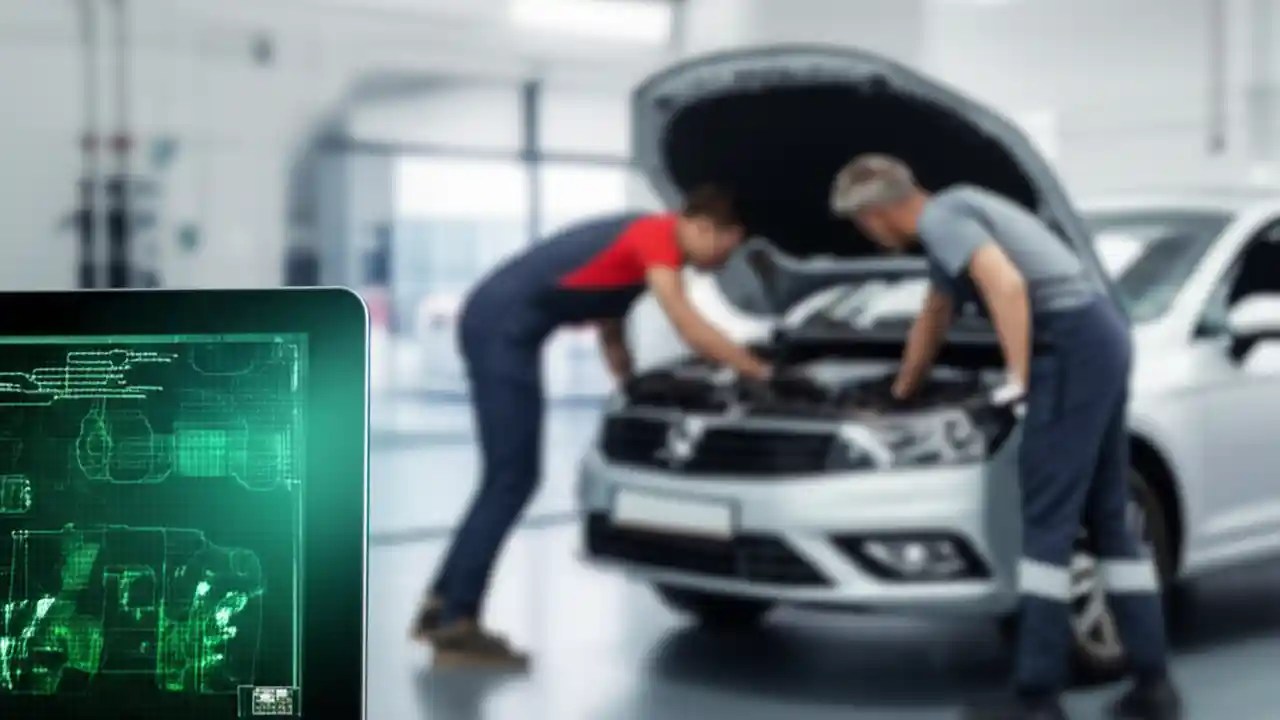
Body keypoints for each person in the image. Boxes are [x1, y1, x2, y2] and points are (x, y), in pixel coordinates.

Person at [829, 155, 1181, 720]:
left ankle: (1037, 696)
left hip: (1068, 347)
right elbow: (935, 315)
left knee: (1046, 521)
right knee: (1109, 515)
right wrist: (902, 391)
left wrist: (1018, 378)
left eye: (861, 225)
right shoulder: (954, 216)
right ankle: (1154, 683)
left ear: (875, 214)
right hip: (1101, 335)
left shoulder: (944, 219)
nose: (866, 236)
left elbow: (1007, 285)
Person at [410, 186, 772, 670]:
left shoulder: (646, 247)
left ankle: (441, 606)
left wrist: (629, 381)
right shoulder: (657, 237)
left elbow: (609, 320)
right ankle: (458, 625)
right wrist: (760, 372)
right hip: (501, 329)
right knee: (511, 479)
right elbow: (688, 324)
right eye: (728, 248)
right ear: (706, 229)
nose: (726, 261)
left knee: (505, 479)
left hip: (500, 322)